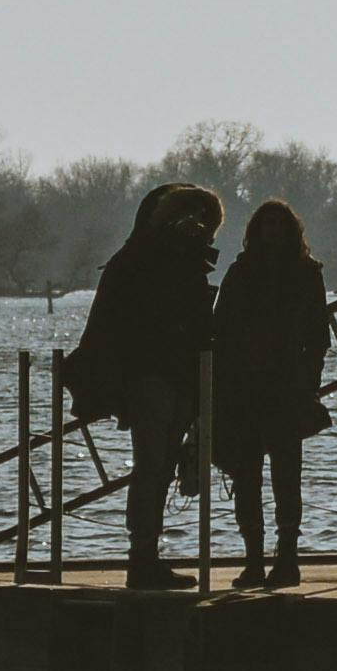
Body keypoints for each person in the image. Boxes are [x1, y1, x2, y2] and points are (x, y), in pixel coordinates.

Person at [63, 182, 222, 583]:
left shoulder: (182, 261)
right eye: (190, 220)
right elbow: (119, 322)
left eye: (204, 223)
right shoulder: (144, 260)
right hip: (151, 376)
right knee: (152, 466)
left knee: (161, 465)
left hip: (182, 375)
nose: (198, 229)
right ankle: (142, 558)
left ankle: (146, 555)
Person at [208, 198, 335, 587]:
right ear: (257, 231)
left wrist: (308, 381)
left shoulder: (306, 274)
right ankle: (253, 558)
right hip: (245, 388)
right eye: (268, 225)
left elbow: (318, 336)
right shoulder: (242, 272)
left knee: (286, 476)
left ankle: (287, 557)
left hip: (286, 387)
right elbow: (221, 330)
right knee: (247, 475)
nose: (274, 232)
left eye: (280, 225)